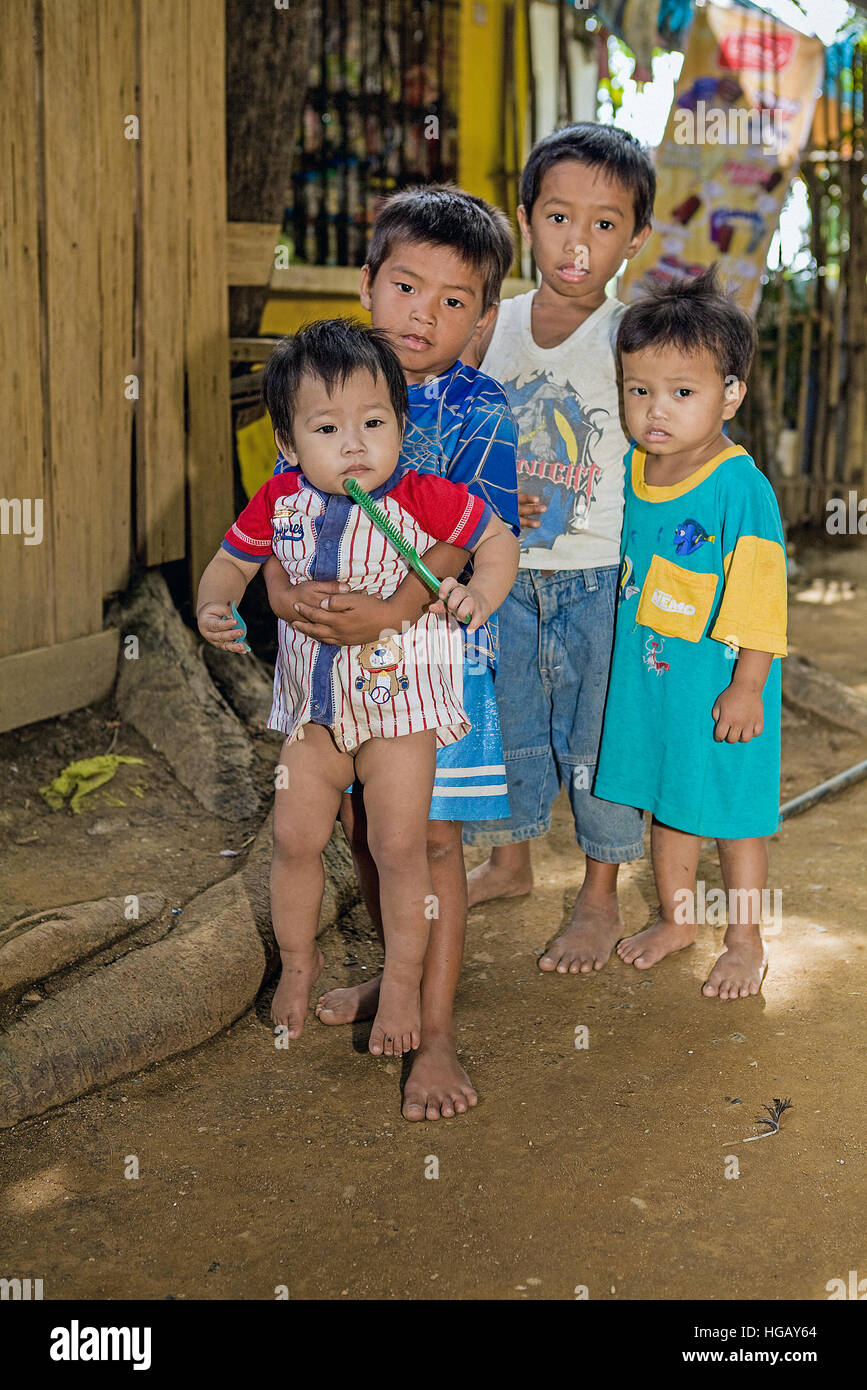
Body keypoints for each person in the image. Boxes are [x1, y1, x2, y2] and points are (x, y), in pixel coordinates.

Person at [264, 185, 521, 1121]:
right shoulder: (321, 386)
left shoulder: (482, 407)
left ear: (484, 317)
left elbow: (468, 536)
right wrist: (286, 600)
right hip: (335, 683)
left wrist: (393, 610)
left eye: (456, 300)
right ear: (367, 281)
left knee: (433, 843)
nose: (427, 313)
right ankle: (393, 975)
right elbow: (274, 527)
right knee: (369, 838)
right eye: (407, 286)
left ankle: (437, 1031)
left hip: (437, 666)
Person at [196, 320, 519, 1058]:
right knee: (293, 838)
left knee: (398, 846)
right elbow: (228, 563)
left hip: (400, 716)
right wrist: (214, 605)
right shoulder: (275, 503)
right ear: (287, 444)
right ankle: (299, 963)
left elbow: (494, 538)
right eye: (327, 427)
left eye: (374, 423)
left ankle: (402, 979)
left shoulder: (424, 496)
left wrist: (481, 596)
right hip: (313, 715)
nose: (354, 444)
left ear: (401, 426)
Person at [463, 123, 654, 976]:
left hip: (598, 579)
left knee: (596, 739)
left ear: (635, 238)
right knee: (509, 724)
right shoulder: (486, 326)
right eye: (558, 217)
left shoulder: (633, 337)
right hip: (498, 575)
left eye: (605, 224)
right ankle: (509, 863)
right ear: (524, 219)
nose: (578, 244)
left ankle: (598, 897)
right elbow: (452, 435)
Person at [594, 265, 787, 999]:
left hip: (725, 692)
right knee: (665, 800)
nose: (654, 410)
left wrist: (746, 687)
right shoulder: (639, 469)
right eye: (638, 390)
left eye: (682, 392)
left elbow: (762, 598)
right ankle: (678, 919)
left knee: (734, 814)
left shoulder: (739, 486)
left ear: (729, 394)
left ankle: (744, 937)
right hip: (653, 688)